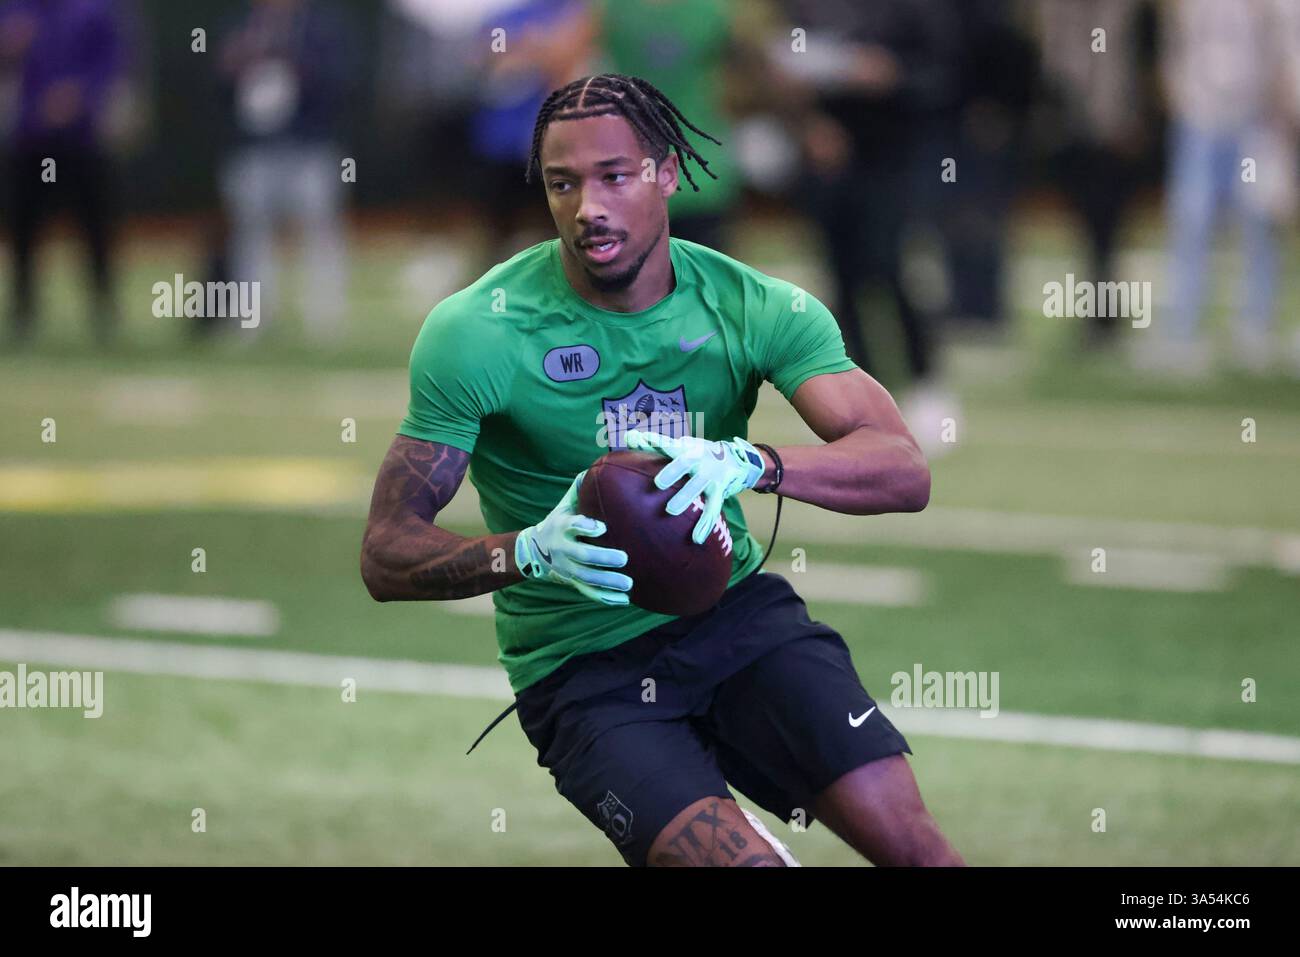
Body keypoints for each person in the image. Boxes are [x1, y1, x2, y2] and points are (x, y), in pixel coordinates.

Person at [361, 74, 963, 867]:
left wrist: (753, 461)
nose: (588, 207)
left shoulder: (752, 306)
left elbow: (903, 469)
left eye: (614, 176)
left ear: (668, 173)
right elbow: (385, 552)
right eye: (562, 183)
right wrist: (530, 550)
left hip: (737, 617)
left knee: (921, 853)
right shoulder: (478, 330)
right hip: (582, 670)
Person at [1, 0, 126, 344]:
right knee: (24, 230)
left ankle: (104, 311)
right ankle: (23, 313)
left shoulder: (94, 10)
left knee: (95, 228)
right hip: (29, 141)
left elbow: (111, 62)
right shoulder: (15, 9)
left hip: (80, 142)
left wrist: (80, 97)